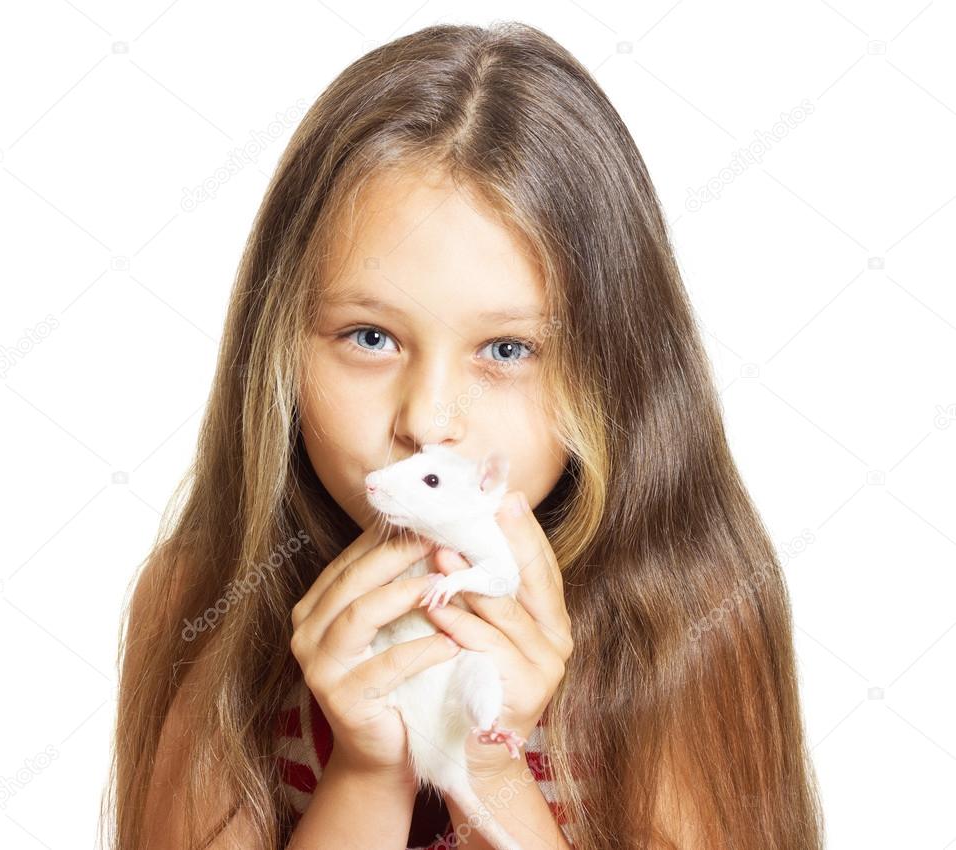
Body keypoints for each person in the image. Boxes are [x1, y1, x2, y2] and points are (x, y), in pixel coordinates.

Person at [104, 20, 826, 850]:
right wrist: (370, 771)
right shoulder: (209, 596)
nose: (429, 421)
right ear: (278, 344)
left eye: (507, 349)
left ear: (618, 370)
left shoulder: (682, 617)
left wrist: (482, 765)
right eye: (371, 336)